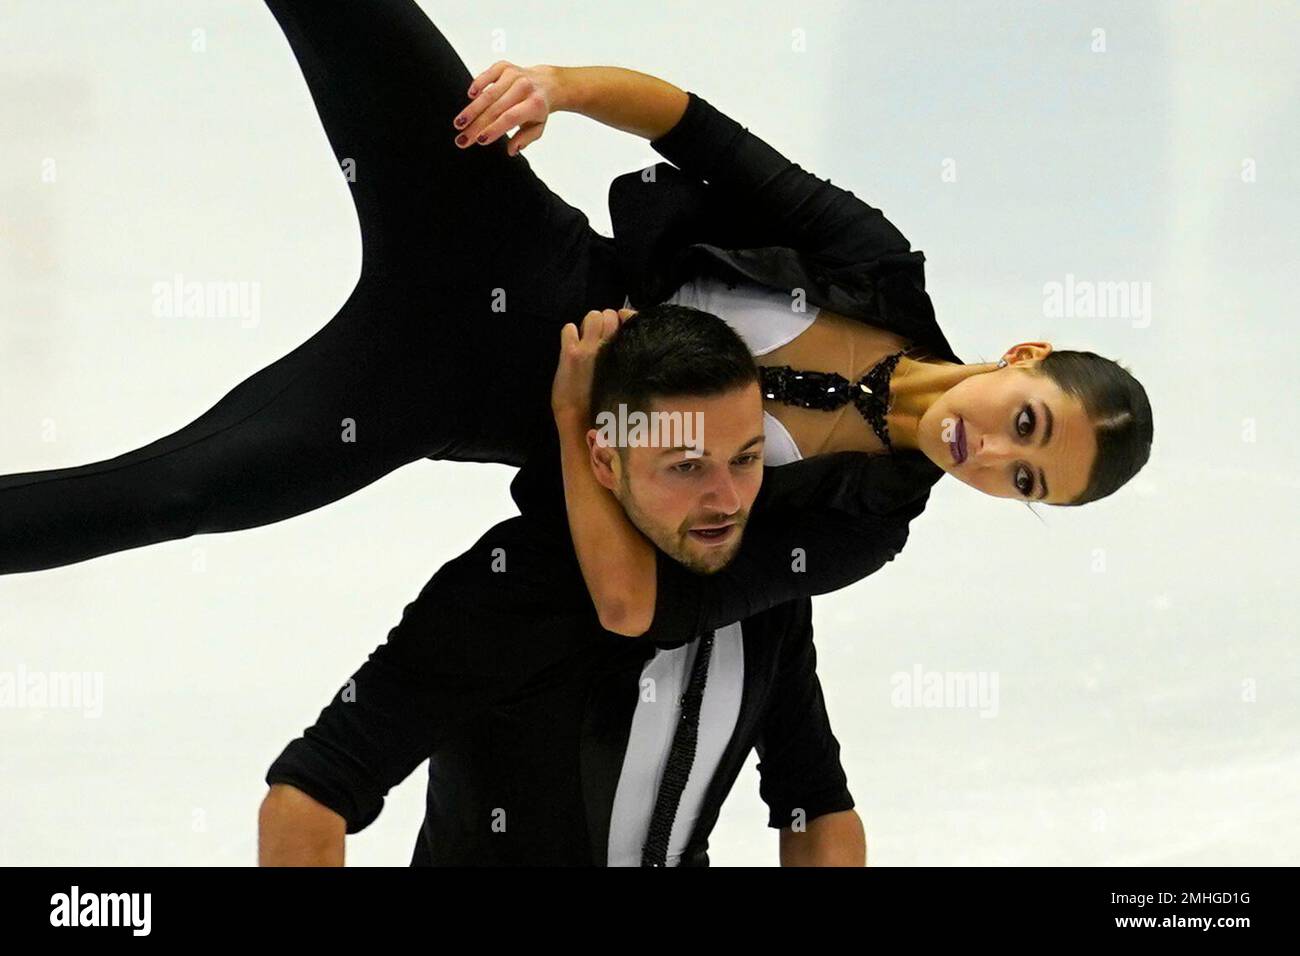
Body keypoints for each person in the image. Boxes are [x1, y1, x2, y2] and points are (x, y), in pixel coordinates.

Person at [2, 0, 1153, 644]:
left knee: (175, 495)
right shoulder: (872, 266)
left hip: (433, 392)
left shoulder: (857, 529)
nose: (994, 454)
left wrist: (568, 421)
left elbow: (636, 606)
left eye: (1028, 480)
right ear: (1024, 357)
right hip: (489, 225)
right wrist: (555, 84)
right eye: (1029, 423)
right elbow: (696, 129)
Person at [259, 306, 862, 866]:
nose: (726, 501)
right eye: (686, 467)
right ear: (604, 461)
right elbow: (308, 796)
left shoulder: (760, 593)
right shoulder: (513, 586)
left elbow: (816, 806)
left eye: (745, 459)